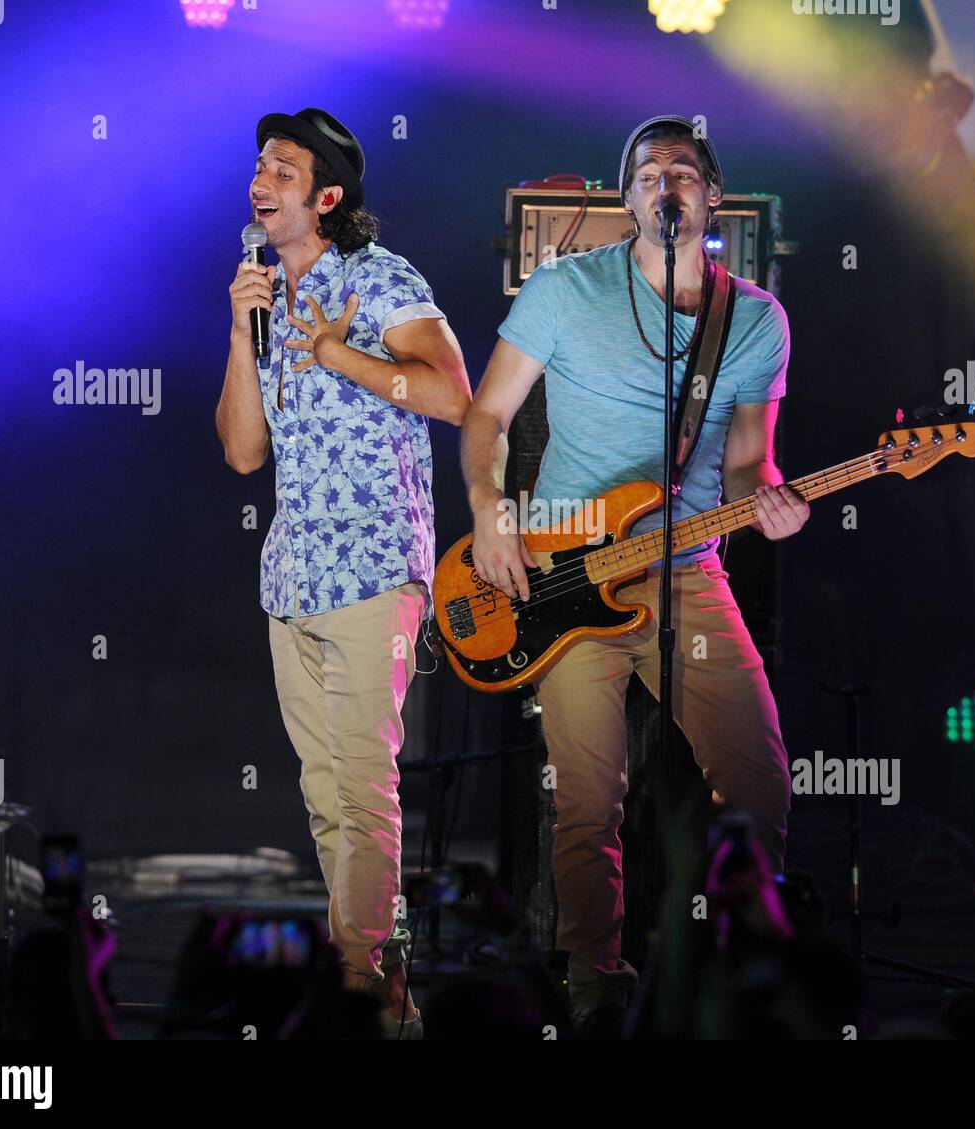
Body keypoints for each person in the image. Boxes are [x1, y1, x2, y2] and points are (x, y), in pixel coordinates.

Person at [460, 115, 809, 1032]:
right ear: (627, 200)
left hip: (686, 566)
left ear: (711, 196)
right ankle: (595, 990)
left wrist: (771, 497)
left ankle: (740, 978)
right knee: (587, 800)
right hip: (565, 570)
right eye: (649, 172)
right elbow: (486, 418)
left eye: (684, 170)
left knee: (761, 780)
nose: (667, 183)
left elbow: (747, 461)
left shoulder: (755, 320)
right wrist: (494, 512)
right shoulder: (564, 290)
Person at [215, 107, 471, 1038]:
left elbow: (451, 394)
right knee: (327, 798)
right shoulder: (263, 298)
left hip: (372, 571)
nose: (260, 180)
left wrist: (339, 353)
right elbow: (244, 453)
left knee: (365, 791)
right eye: (258, 166)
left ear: (325, 195)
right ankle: (377, 991)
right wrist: (245, 333)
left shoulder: (378, 277)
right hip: (292, 582)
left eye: (281, 169)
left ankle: (364, 994)